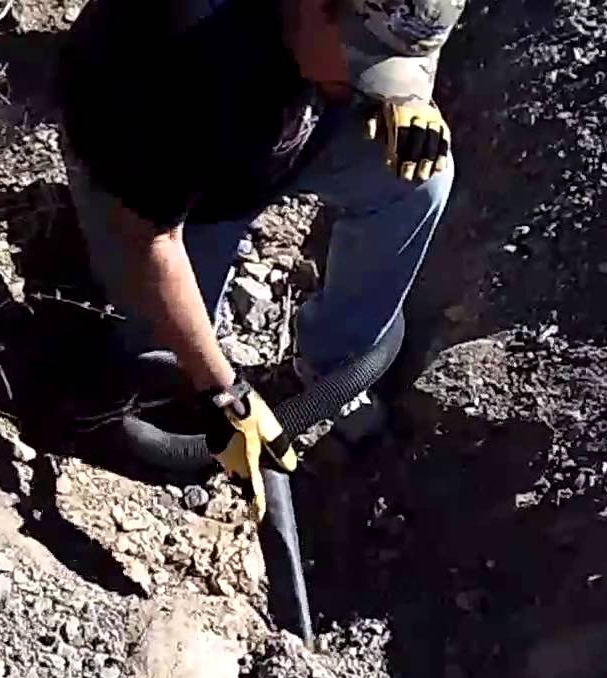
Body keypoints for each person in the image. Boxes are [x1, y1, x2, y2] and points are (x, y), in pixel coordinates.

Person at [54, 0, 463, 507]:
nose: (356, 86)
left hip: (267, 135)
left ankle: (333, 364)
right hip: (170, 185)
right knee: (160, 369)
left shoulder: (335, 41)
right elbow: (149, 240)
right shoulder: (182, 46)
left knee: (421, 177)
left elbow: (407, 35)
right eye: (361, 61)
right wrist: (225, 397)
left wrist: (405, 92)